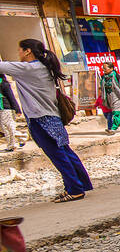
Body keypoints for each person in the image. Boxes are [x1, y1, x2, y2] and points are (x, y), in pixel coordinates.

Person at [0, 39, 93, 203]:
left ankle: (76, 189)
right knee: (65, 152)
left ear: (28, 51)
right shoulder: (44, 67)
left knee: (58, 155)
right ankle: (79, 185)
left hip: (40, 118)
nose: (19, 53)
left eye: (20, 50)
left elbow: (2, 66)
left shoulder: (28, 68)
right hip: (52, 116)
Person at [1, 72, 25, 151]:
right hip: (1, 109)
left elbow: (11, 97)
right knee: (4, 128)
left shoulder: (4, 84)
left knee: (8, 127)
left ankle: (12, 146)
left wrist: (17, 109)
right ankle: (22, 137)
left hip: (6, 108)